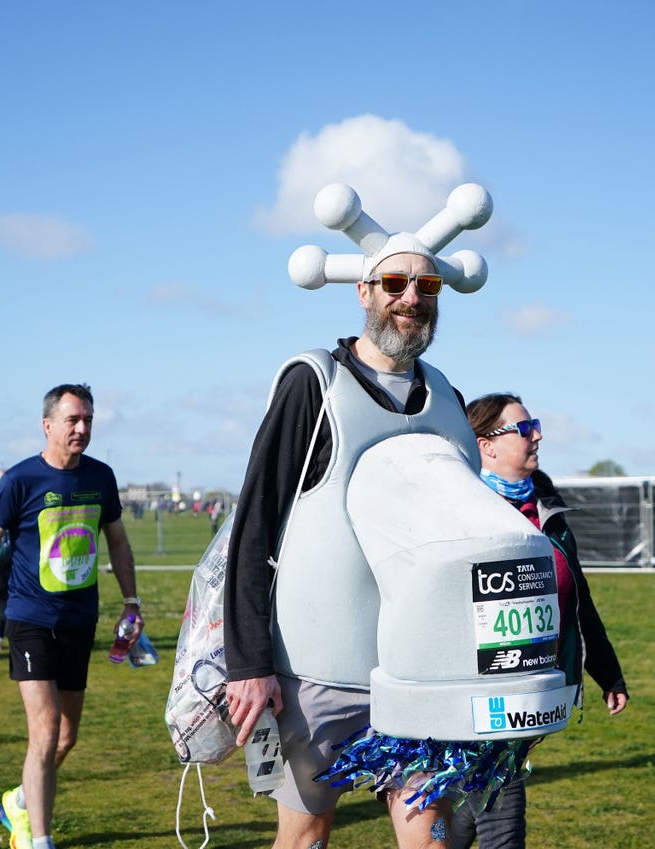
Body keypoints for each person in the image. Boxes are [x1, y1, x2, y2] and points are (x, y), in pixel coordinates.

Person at [224, 180, 502, 848]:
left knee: (429, 839)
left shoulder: (447, 400)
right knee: (306, 835)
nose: (411, 298)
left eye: (426, 286)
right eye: (395, 283)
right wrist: (249, 663)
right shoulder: (313, 385)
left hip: (418, 673)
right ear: (363, 291)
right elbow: (255, 524)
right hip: (314, 669)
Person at [0, 383, 142, 849]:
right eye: (73, 419)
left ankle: (18, 799)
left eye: (88, 420)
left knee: (66, 737)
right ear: (47, 425)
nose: (82, 428)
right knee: (46, 730)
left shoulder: (100, 477)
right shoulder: (20, 480)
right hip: (30, 619)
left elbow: (117, 541)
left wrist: (131, 602)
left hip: (79, 621)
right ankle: (39, 839)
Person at [448, 393, 630, 849]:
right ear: (486, 445)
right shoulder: (460, 508)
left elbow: (578, 597)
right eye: (525, 429)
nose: (538, 436)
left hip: (539, 683)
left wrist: (607, 673)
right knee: (502, 813)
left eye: (536, 426)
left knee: (482, 797)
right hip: (481, 687)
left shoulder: (546, 504)